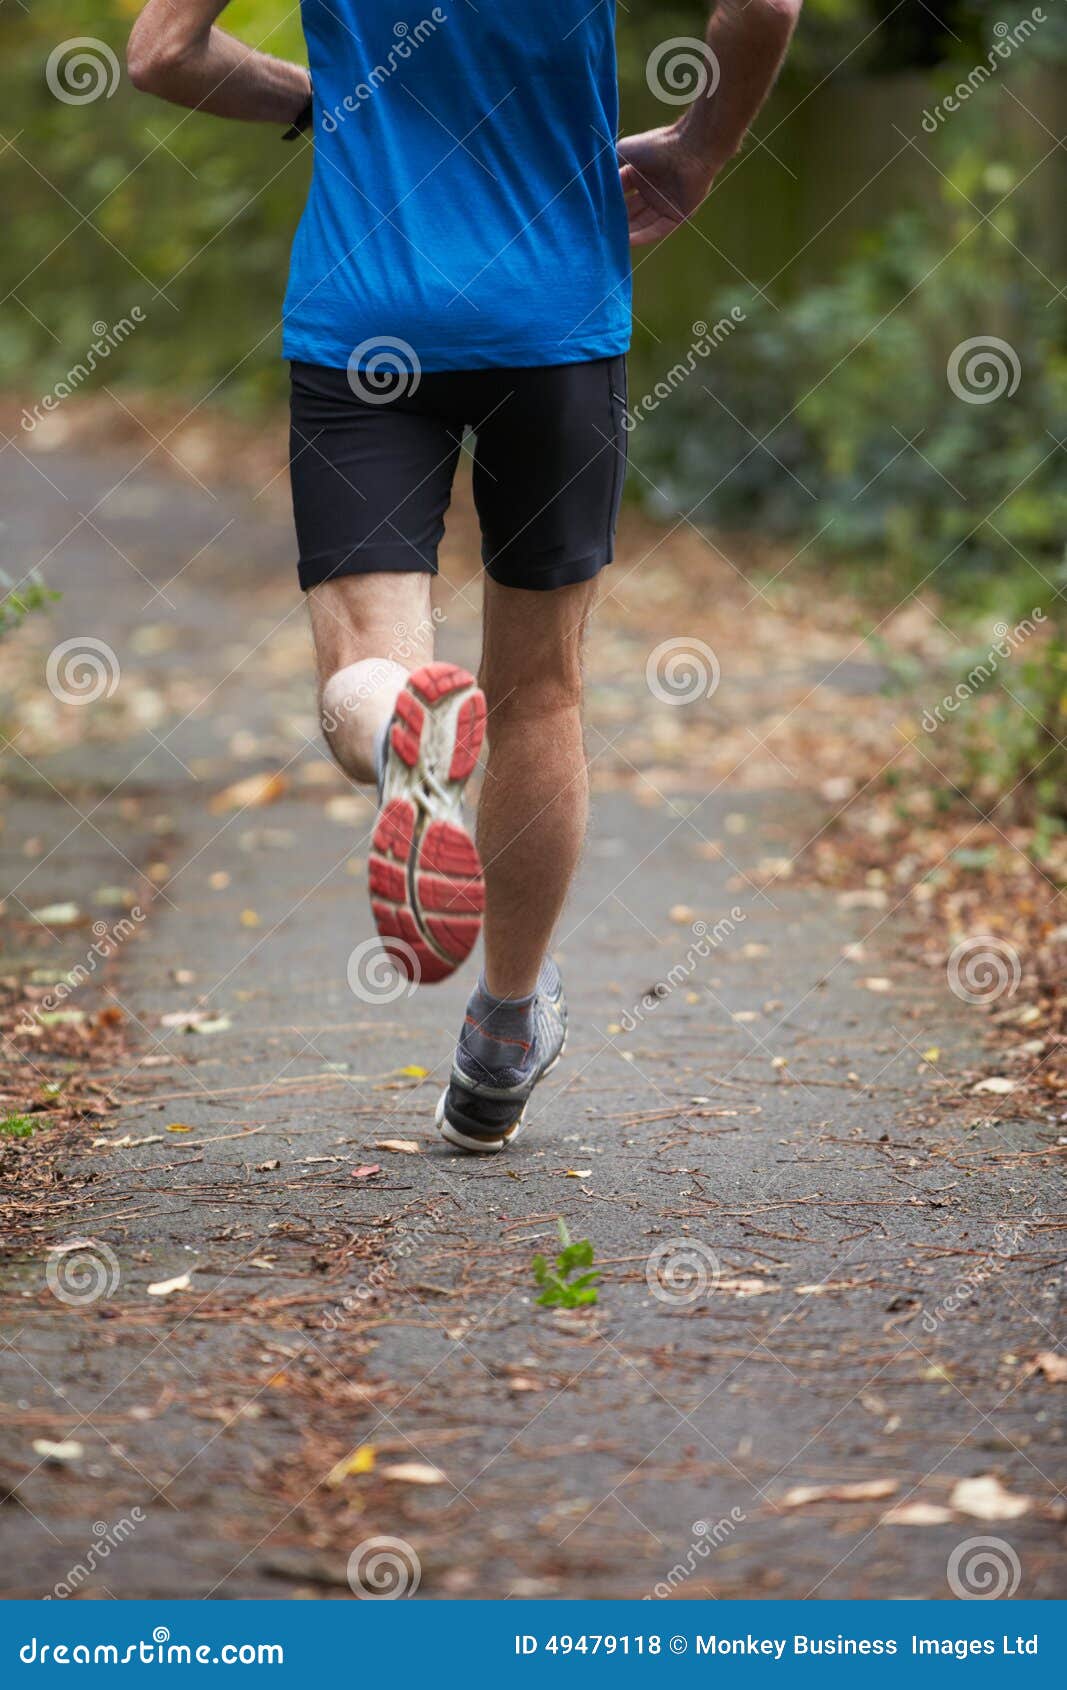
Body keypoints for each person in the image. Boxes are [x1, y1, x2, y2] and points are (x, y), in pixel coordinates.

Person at [127, 0, 801, 1152]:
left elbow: (160, 55)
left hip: (364, 316)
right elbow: (765, 5)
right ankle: (502, 1028)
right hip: (553, 310)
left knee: (367, 665)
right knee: (540, 687)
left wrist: (327, 99)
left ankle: (400, 719)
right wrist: (700, 147)